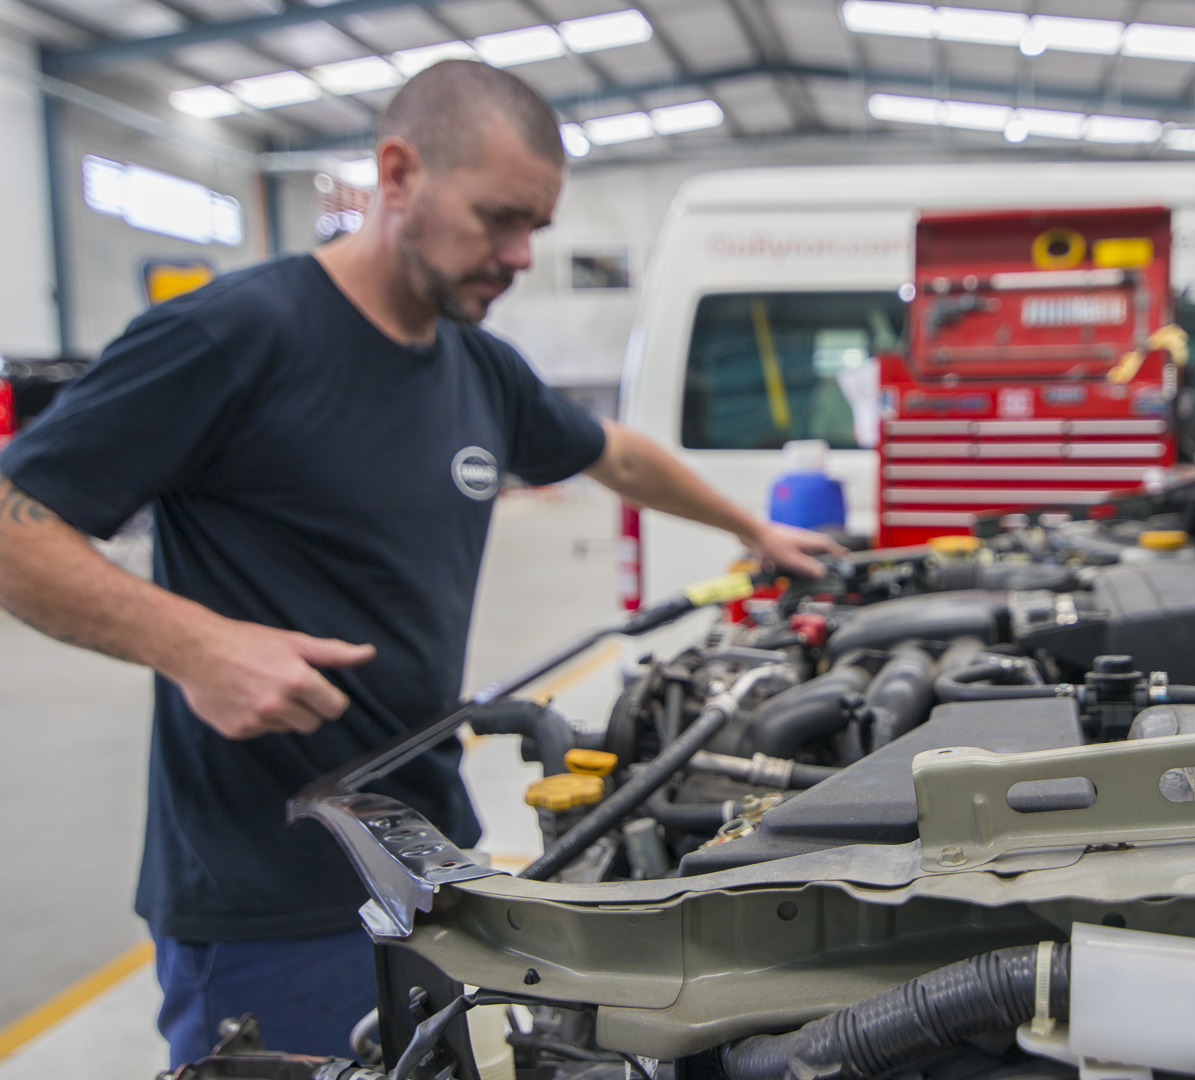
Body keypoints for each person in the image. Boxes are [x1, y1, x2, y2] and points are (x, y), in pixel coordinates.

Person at [0, 60, 833, 1067]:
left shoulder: (476, 364)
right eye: (499, 219)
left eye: (537, 226)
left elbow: (611, 450)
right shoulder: (235, 333)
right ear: (398, 174)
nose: (522, 254)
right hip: (270, 888)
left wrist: (754, 530)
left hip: (431, 853)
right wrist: (194, 645)